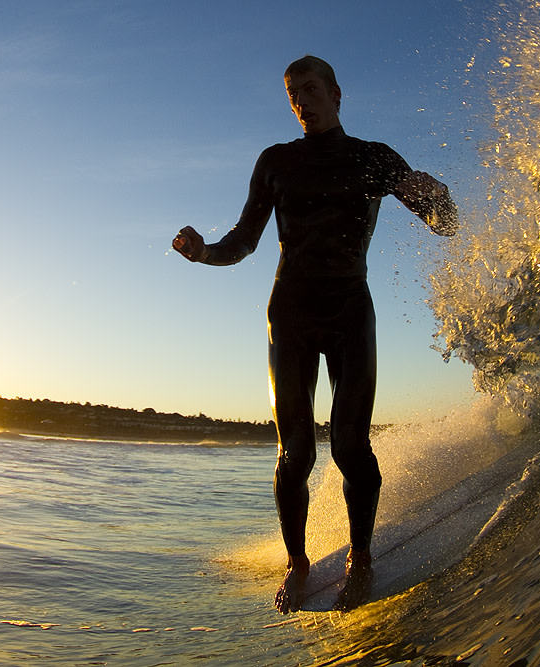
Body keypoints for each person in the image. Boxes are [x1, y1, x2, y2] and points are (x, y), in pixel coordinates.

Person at [172, 55, 458, 613]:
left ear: (336, 93)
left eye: (310, 89)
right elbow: (244, 241)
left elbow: (443, 223)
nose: (302, 100)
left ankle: (362, 557)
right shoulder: (276, 162)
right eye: (292, 94)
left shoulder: (374, 158)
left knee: (351, 443)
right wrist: (204, 252)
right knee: (294, 452)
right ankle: (298, 563)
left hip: (351, 310)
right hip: (293, 316)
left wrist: (439, 195)